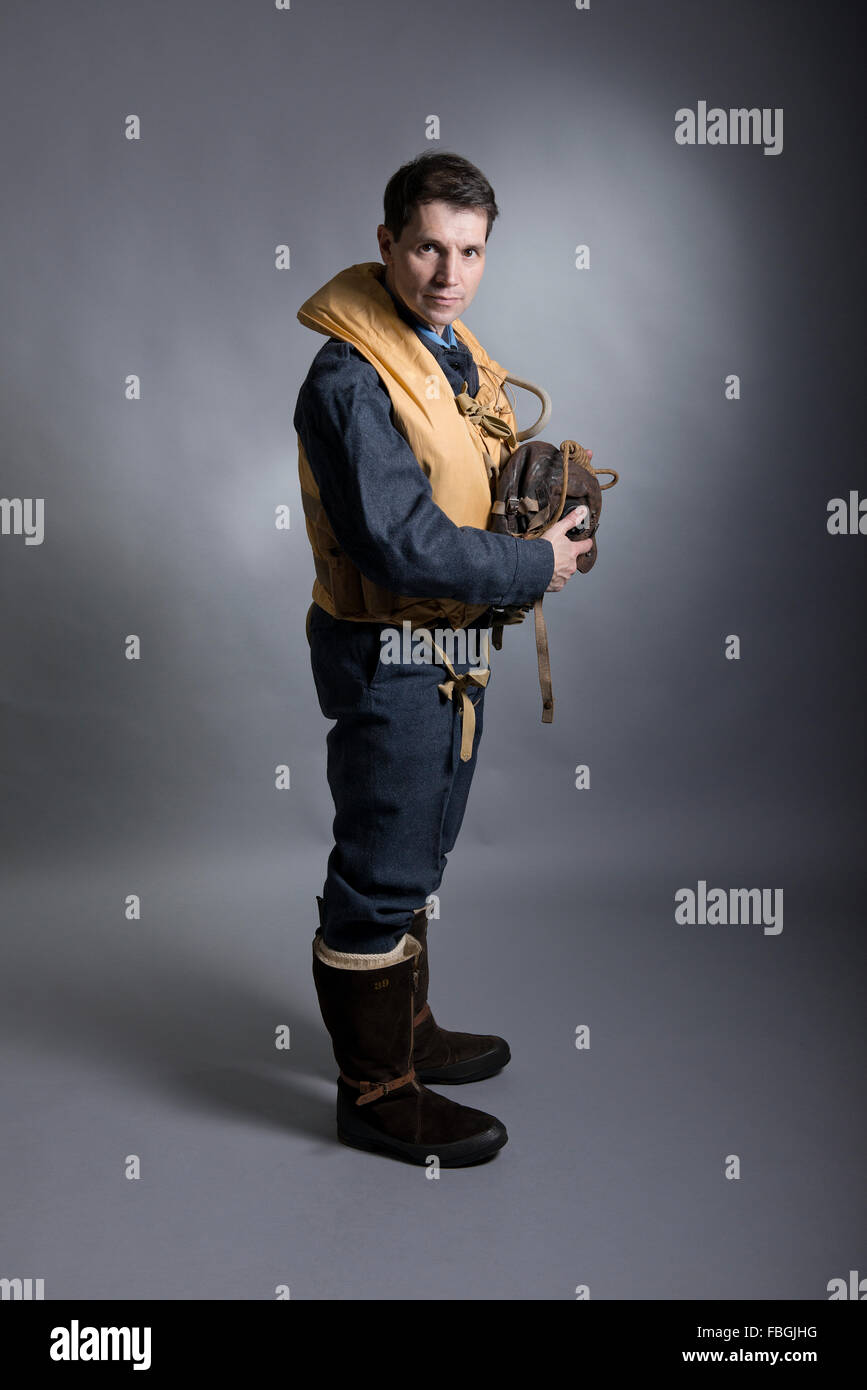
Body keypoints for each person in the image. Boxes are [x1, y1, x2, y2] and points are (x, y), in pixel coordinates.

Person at [293, 150, 591, 1167]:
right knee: (380, 871)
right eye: (427, 246)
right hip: (391, 647)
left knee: (419, 852)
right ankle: (373, 1089)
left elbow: (466, 472)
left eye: (469, 251)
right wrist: (526, 561)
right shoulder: (348, 375)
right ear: (387, 245)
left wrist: (548, 511)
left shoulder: (448, 347)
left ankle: (406, 1033)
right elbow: (399, 541)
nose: (448, 272)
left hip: (448, 644)